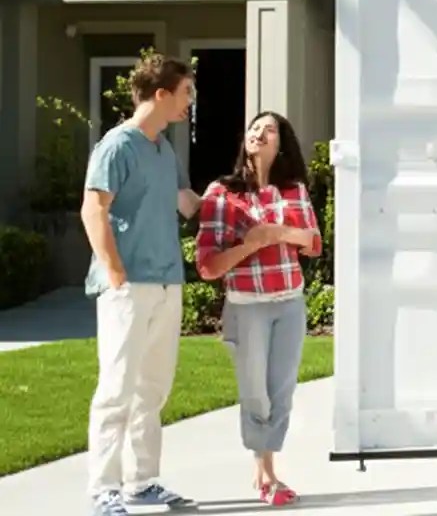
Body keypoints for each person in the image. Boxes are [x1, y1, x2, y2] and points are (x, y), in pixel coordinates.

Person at [82, 54, 201, 516]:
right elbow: (94, 209)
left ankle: (141, 480)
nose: (189, 102)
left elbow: (184, 202)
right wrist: (115, 273)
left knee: (153, 387)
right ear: (162, 94)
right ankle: (104, 488)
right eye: (186, 92)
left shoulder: (163, 149)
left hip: (167, 282)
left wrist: (233, 198)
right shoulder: (118, 145)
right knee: (117, 387)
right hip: (129, 286)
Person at [195, 111, 321, 507]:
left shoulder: (293, 190)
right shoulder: (222, 192)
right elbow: (208, 266)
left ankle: (267, 472)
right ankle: (264, 471)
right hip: (247, 306)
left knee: (280, 392)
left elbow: (313, 243)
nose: (259, 133)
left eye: (269, 130)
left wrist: (278, 233)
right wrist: (252, 244)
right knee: (256, 395)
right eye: (254, 127)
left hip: (289, 302)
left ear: (281, 143)